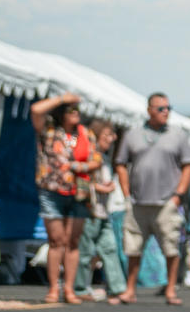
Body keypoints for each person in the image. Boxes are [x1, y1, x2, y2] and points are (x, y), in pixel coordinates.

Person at [114, 92, 190, 305]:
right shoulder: (133, 134)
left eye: (169, 108)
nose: (166, 112)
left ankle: (170, 290)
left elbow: (188, 165)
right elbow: (120, 163)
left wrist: (178, 195)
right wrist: (125, 192)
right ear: (149, 110)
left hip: (166, 202)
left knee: (171, 248)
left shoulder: (178, 135)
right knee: (133, 248)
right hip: (138, 202)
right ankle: (129, 290)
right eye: (161, 108)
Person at [31, 92, 100, 304]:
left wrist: (77, 166)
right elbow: (36, 110)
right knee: (56, 240)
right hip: (52, 190)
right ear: (62, 112)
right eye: (71, 110)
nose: (76, 113)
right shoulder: (49, 130)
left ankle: (69, 289)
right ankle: (53, 288)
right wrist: (63, 99)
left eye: (77, 110)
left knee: (73, 241)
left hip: (79, 192)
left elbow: (96, 160)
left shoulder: (86, 134)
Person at [73, 120, 127, 304]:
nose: (111, 139)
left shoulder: (103, 157)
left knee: (110, 248)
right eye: (107, 135)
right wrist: (97, 188)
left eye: (112, 136)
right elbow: (79, 178)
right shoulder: (89, 155)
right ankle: (79, 288)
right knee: (86, 250)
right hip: (90, 210)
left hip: (104, 211)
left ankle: (117, 288)